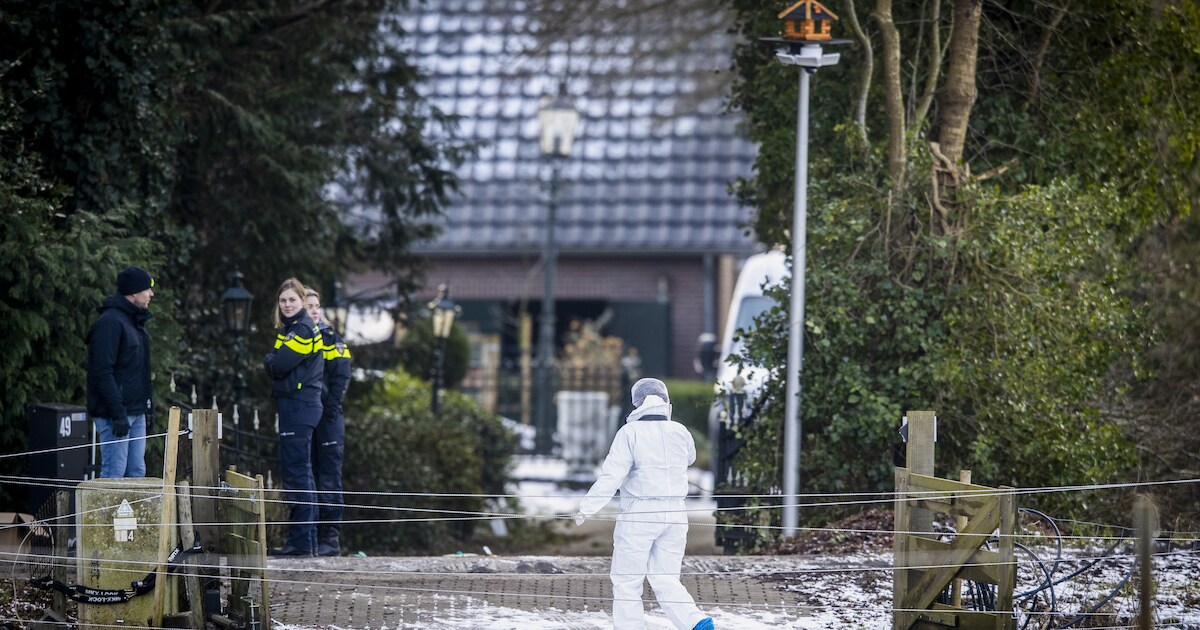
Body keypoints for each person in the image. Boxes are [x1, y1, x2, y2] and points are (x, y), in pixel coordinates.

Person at [575, 378, 714, 630]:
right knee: (666, 578)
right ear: (665, 401)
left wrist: (587, 506)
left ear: (636, 403)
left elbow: (612, 476)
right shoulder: (680, 431)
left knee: (627, 580)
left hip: (640, 513)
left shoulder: (629, 433)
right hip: (675, 514)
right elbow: (690, 458)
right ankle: (696, 621)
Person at [264, 278, 324, 557]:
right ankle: (305, 541)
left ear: (302, 301)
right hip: (297, 406)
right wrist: (273, 361)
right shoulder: (289, 329)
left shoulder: (301, 330)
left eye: (292, 300)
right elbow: (277, 361)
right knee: (301, 473)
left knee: (298, 474)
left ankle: (301, 542)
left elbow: (277, 365)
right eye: (283, 300)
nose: (287, 305)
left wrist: (271, 362)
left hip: (300, 407)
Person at [86, 265, 156, 478]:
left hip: (136, 413)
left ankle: (136, 513)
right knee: (114, 475)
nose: (151, 294)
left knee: (137, 473)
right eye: (147, 288)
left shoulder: (135, 322)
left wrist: (147, 407)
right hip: (114, 414)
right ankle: (106, 513)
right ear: (134, 292)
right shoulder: (110, 323)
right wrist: (117, 413)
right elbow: (102, 372)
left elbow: (140, 371)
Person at [304, 289, 351, 557]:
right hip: (306, 416)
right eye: (309, 306)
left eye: (317, 306)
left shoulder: (332, 338)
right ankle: (308, 535)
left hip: (328, 417)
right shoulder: (296, 337)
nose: (314, 311)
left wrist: (330, 409)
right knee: (307, 475)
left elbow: (342, 376)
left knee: (329, 476)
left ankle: (329, 537)